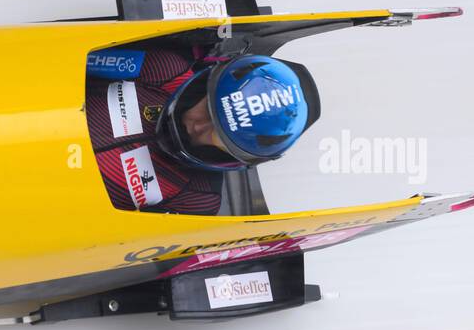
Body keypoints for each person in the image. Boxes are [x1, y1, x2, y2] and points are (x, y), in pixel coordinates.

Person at [85, 47, 320, 215]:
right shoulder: (165, 69)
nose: (198, 127)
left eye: (218, 135)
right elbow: (76, 60)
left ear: (231, 154)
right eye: (207, 109)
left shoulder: (199, 198)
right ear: (205, 88)